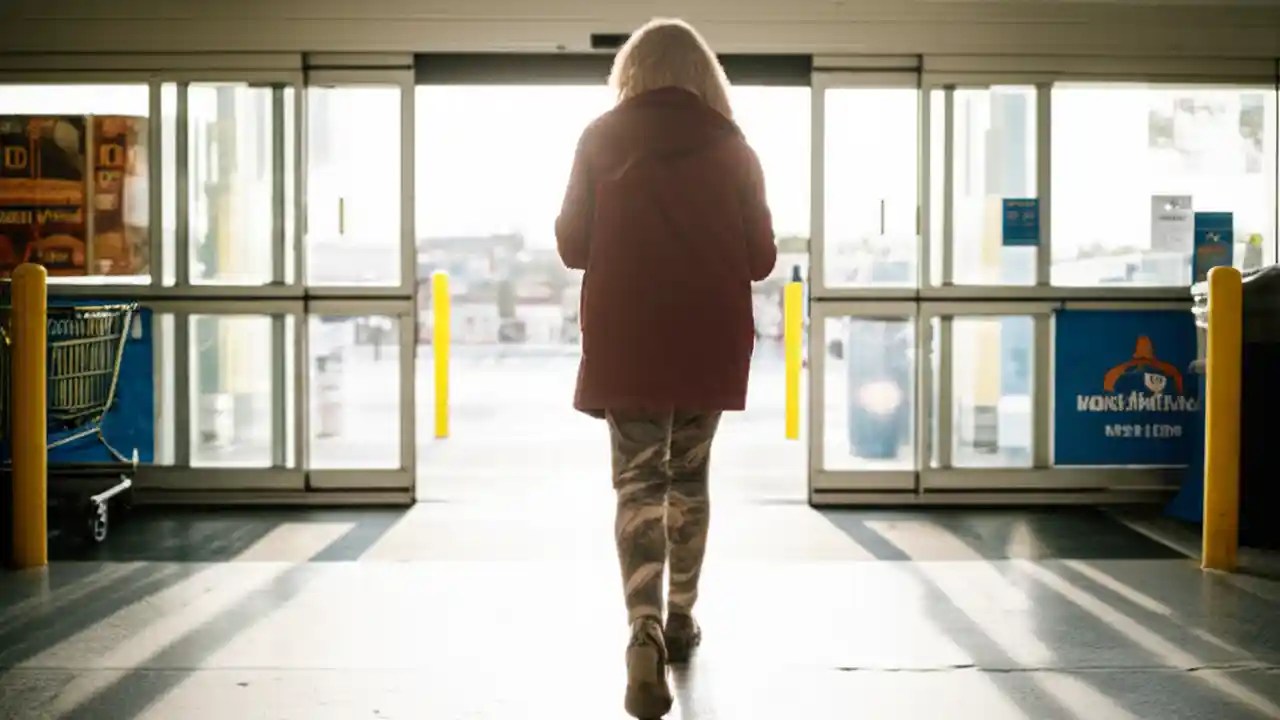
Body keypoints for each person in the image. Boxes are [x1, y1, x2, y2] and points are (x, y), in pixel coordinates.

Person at [555, 18, 777, 719]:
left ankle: (641, 630)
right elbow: (762, 258)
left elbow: (570, 246)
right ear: (704, 75)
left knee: (638, 483)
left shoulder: (600, 136)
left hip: (629, 337)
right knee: (689, 479)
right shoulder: (731, 144)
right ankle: (681, 621)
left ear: (632, 71)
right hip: (706, 335)